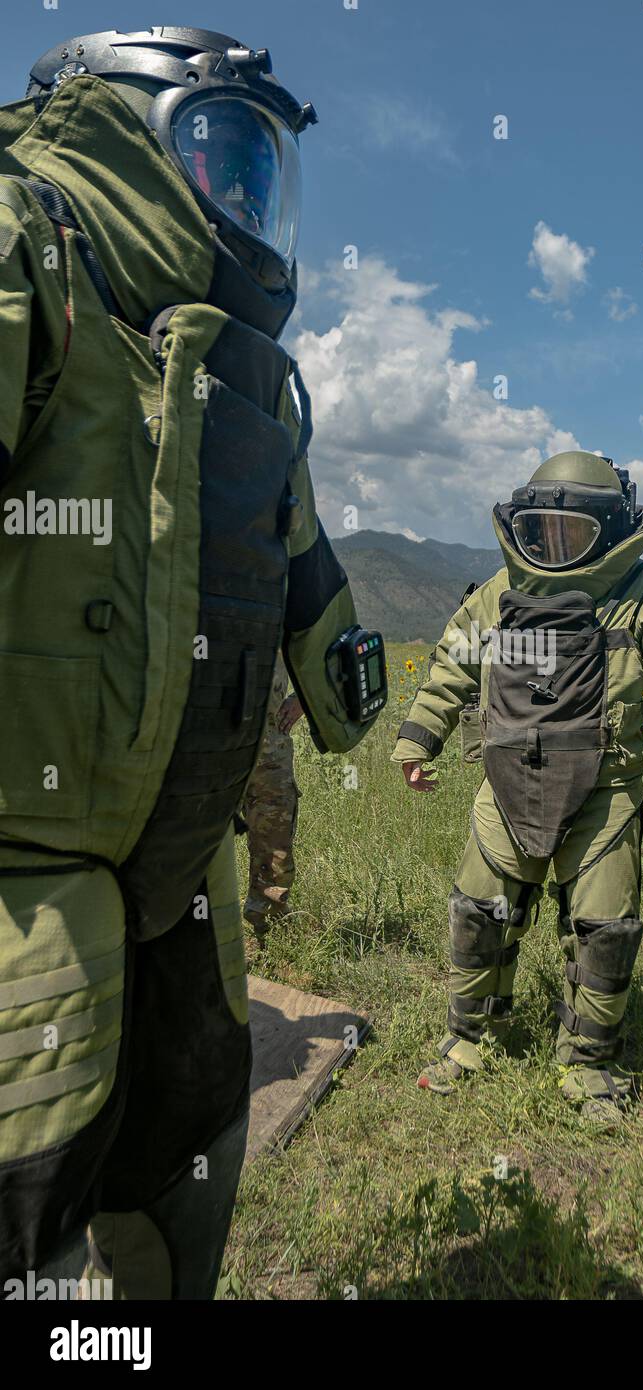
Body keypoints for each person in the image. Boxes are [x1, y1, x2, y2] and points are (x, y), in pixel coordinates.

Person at [0, 28, 376, 1298]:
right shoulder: (28, 247)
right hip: (28, 882)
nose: (244, 200)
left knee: (187, 1151)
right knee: (31, 1200)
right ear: (137, 128)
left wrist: (358, 691)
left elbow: (313, 591)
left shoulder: (251, 380)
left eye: (260, 171)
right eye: (220, 154)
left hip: (187, 861)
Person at [393, 452, 643, 1128]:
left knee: (604, 930)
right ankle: (468, 1040)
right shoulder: (495, 592)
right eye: (544, 531)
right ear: (523, 527)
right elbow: (452, 667)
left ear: (611, 528)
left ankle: (590, 1063)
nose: (556, 545)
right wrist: (418, 737)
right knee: (478, 914)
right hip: (505, 786)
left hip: (607, 792)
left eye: (575, 532)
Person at [241, 654, 303, 942]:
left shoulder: (281, 606)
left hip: (268, 749)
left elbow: (326, 646)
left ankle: (266, 926)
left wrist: (305, 697)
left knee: (274, 838)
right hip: (202, 741)